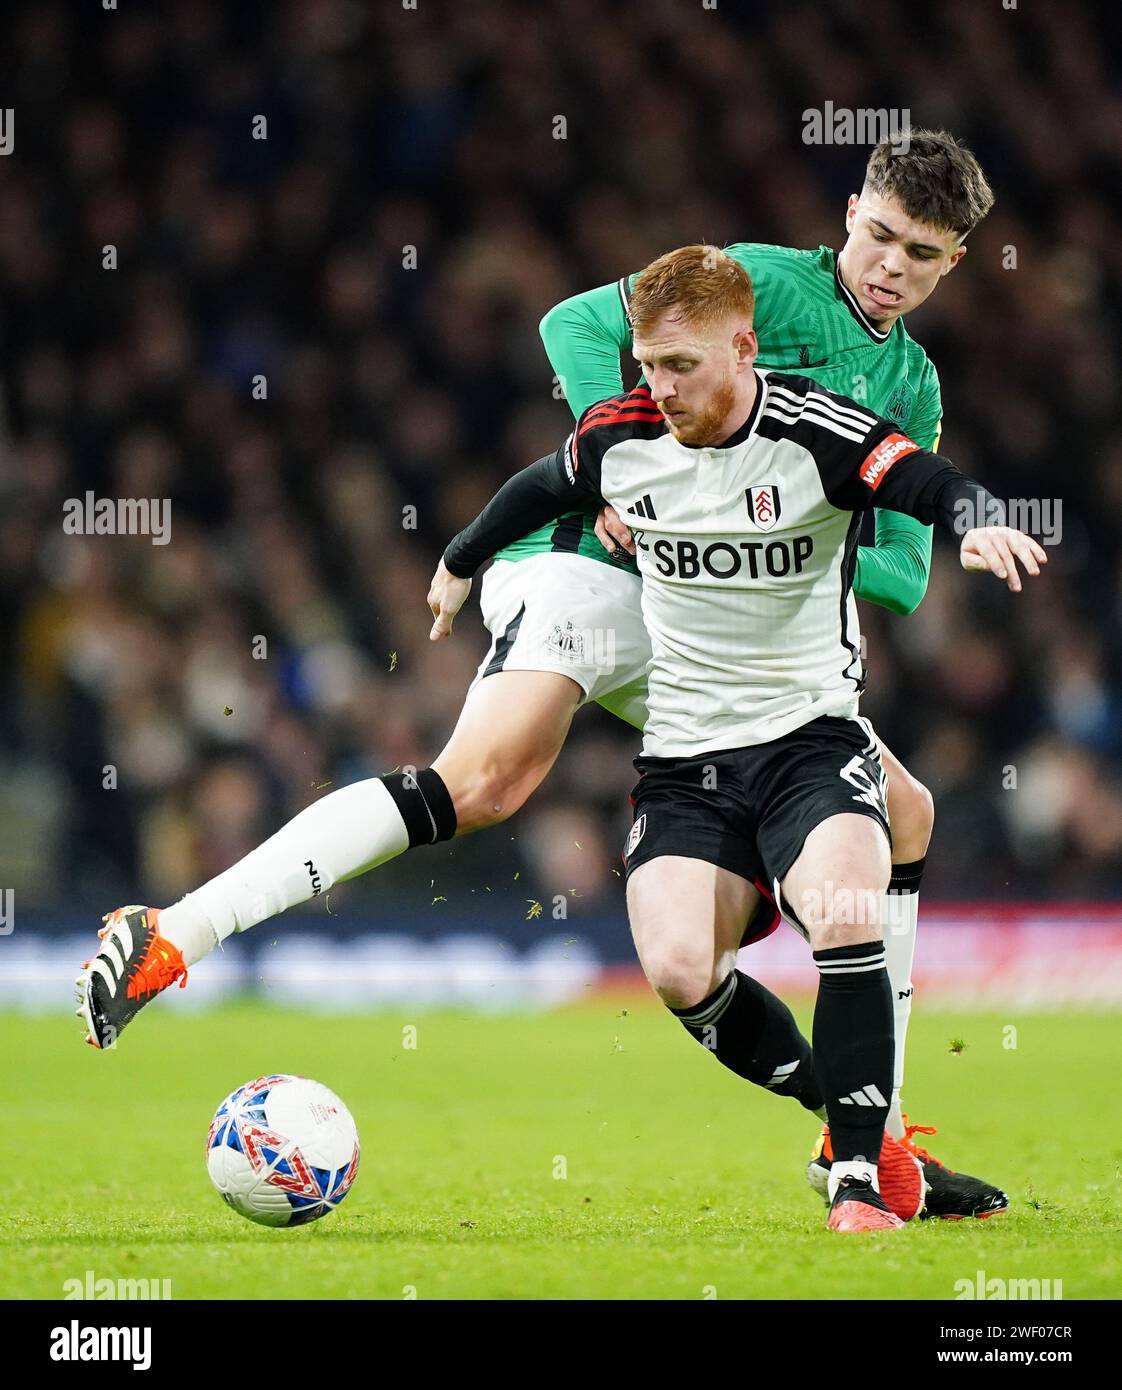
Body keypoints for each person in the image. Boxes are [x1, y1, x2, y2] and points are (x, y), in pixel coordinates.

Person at [76, 129, 1005, 1216]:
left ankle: (873, 1135)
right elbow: (574, 322)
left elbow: (897, 573)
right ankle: (171, 935)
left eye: (922, 254)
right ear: (851, 211)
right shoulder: (756, 282)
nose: (890, 265)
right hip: (593, 565)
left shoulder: (912, 385)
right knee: (485, 783)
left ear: (954, 265)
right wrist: (634, 475)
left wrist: (791, 517)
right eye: (880, 235)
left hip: (718, 622)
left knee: (905, 808)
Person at [426, 245, 1044, 1230]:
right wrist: (460, 562)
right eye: (648, 365)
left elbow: (919, 476)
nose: (660, 388)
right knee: (677, 967)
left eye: (683, 366)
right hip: (687, 765)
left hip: (811, 743)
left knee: (845, 910)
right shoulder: (626, 435)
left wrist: (973, 520)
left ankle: (856, 1178)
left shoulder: (816, 427)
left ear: (745, 347)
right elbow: (540, 484)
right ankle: (847, 1111)